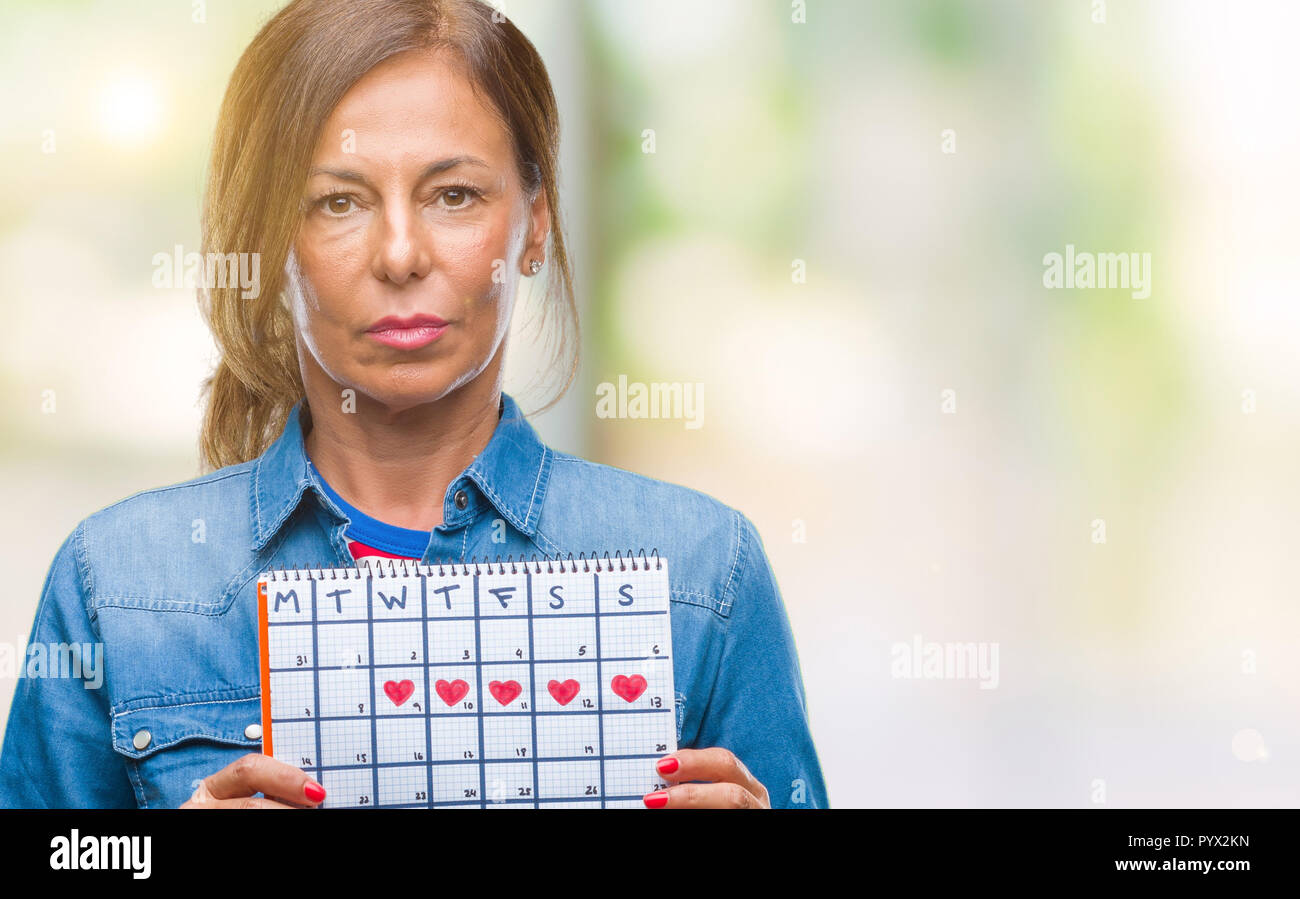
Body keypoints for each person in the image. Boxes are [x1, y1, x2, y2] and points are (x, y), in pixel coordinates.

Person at [0, 0, 828, 810]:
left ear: (534, 225)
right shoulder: (114, 581)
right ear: (267, 239)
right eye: (339, 202)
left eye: (455, 195)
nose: (401, 254)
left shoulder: (703, 571)